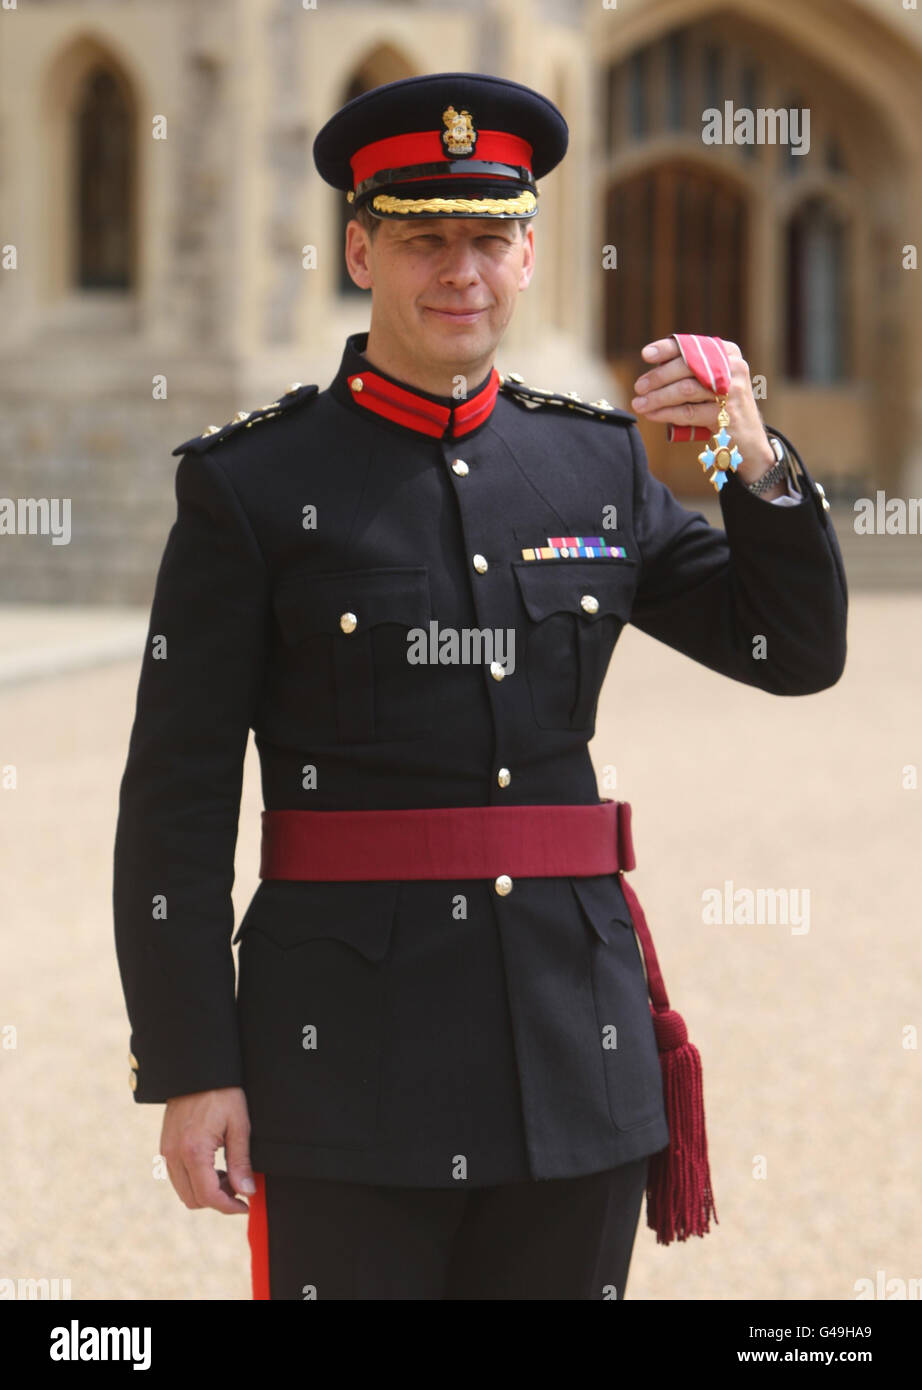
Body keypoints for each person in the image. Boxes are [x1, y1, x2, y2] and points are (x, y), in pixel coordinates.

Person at [113, 71, 848, 1300]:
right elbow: (175, 802)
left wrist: (747, 452)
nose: (461, 270)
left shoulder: (597, 466)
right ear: (360, 250)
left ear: (525, 257)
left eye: (489, 238)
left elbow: (792, 650)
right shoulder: (250, 485)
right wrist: (193, 1066)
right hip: (344, 1063)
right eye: (423, 240)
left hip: (574, 1047)